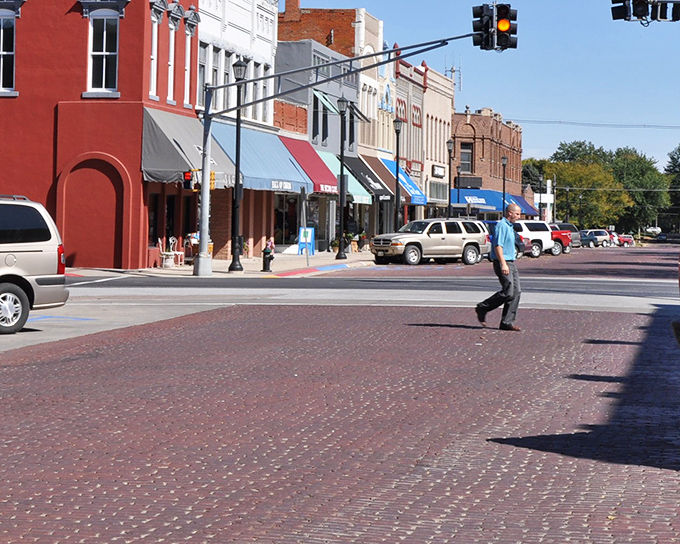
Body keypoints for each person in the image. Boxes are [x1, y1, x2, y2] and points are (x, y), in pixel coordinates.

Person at [476, 203, 522, 331]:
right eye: (517, 214)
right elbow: (498, 246)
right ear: (510, 213)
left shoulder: (509, 226)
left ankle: (507, 322)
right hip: (504, 262)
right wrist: (503, 263)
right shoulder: (501, 226)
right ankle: (483, 307)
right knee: (508, 291)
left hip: (511, 262)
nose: (518, 217)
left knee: (516, 292)